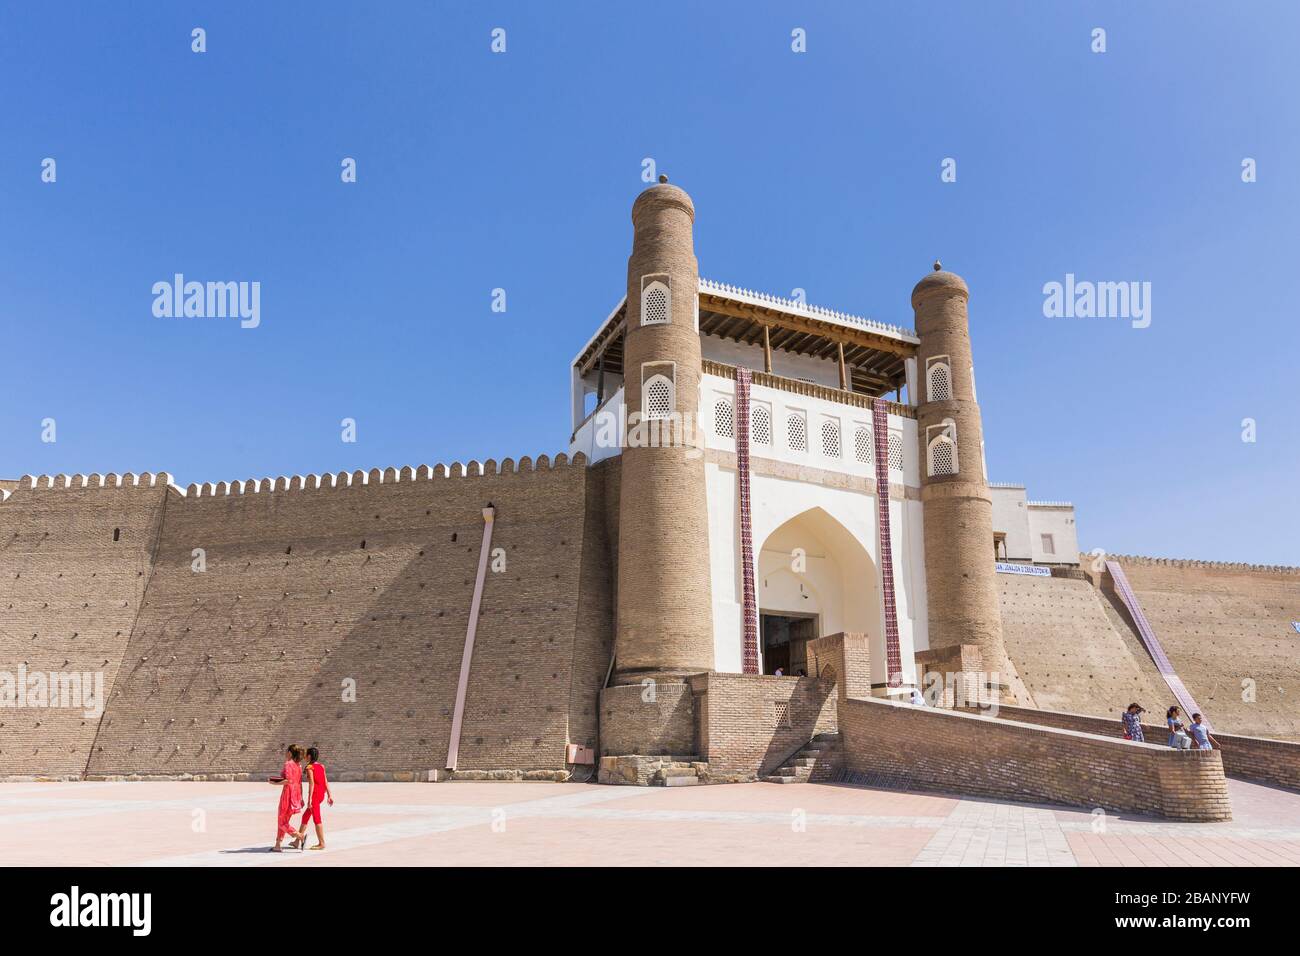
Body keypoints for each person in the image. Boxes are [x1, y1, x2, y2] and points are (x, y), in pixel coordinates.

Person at [294, 746, 334, 851]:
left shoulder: (309, 767)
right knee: (305, 817)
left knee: (317, 819)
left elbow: (311, 784)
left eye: (306, 754)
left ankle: (322, 843)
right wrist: (329, 795)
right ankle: (297, 841)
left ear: (309, 756)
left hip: (315, 796)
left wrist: (309, 800)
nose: (305, 756)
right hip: (321, 795)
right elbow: (325, 781)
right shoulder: (321, 766)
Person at [270, 744, 305, 852]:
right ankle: (277, 845)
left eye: (286, 752)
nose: (285, 754)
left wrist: (273, 783)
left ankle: (300, 836)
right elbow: (299, 783)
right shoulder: (299, 766)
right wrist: (301, 798)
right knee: (284, 820)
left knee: (281, 822)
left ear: (290, 752)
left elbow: (288, 781)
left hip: (287, 795)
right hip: (295, 795)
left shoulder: (288, 764)